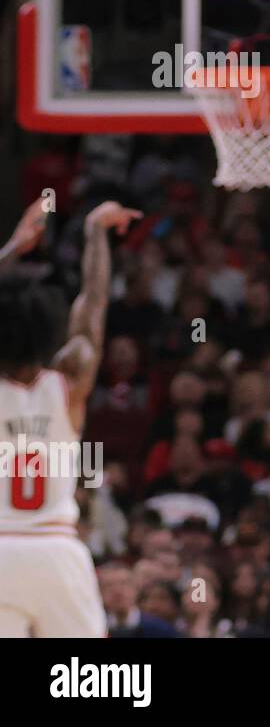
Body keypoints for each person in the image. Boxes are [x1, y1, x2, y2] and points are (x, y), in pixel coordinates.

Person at [0, 199, 141, 636]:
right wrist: (95, 233)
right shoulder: (68, 381)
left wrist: (10, 251)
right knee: (86, 683)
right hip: (57, 548)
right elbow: (93, 305)